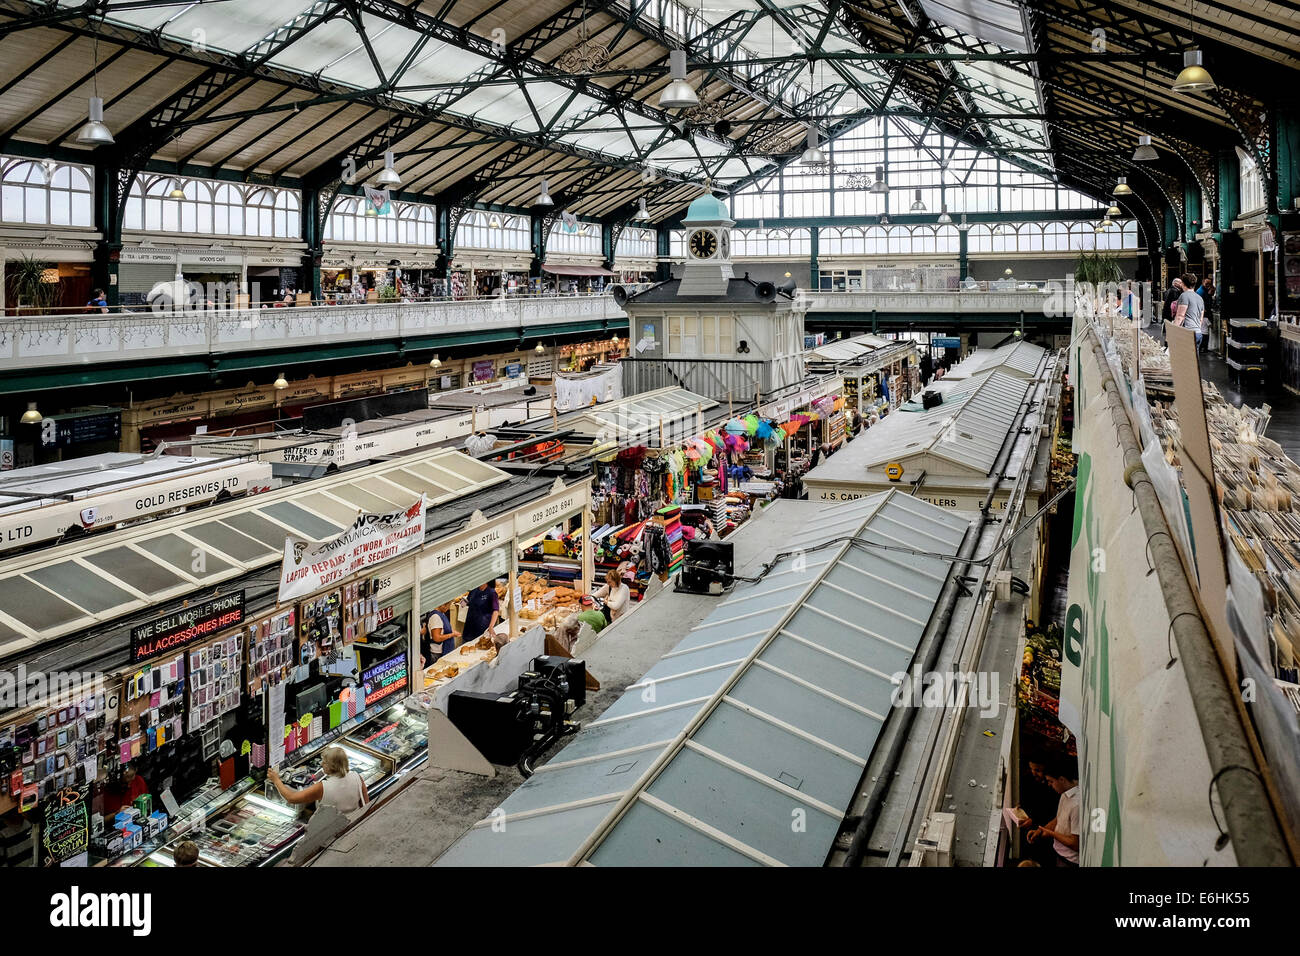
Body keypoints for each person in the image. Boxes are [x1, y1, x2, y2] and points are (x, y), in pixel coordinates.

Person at [267, 747, 369, 816]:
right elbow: (365, 804)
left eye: (324, 762)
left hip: (330, 829)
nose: (321, 764)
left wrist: (276, 780)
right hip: (352, 821)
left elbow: (291, 798)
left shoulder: (323, 787)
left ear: (331, 766)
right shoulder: (357, 777)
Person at [1026, 757, 1080, 866]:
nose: (1049, 785)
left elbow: (1075, 844)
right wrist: (1040, 831)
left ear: (1061, 780)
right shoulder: (1065, 793)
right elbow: (1058, 819)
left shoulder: (1077, 805)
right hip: (1059, 854)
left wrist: (1051, 833)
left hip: (1070, 861)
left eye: (1051, 781)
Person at [1172, 272, 1206, 350]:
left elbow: (1180, 316)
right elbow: (1201, 318)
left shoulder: (1184, 296)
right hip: (1198, 333)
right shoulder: (1200, 298)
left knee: (1184, 359)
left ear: (1183, 283)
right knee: (1194, 360)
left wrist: (1173, 332)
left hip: (1187, 333)